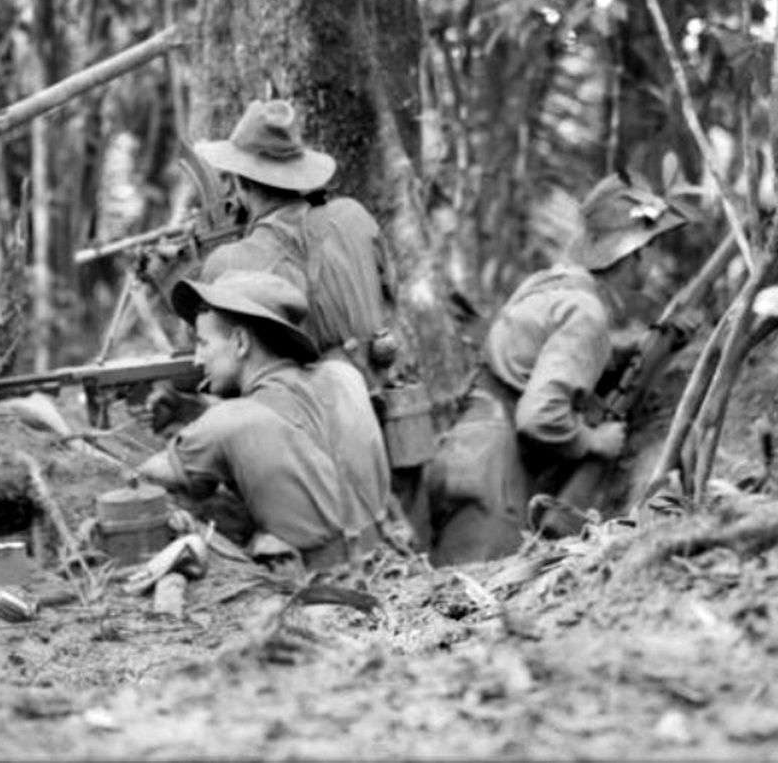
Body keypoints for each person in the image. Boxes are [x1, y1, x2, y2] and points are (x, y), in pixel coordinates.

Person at [422, 173, 692, 565]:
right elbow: (539, 416)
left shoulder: (548, 286)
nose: (651, 260)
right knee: (476, 607)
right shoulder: (587, 314)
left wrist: (625, 353)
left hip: (465, 451)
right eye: (651, 248)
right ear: (632, 254)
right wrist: (593, 441)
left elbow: (532, 357)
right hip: (494, 474)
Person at [135, 268, 389, 568]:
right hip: (385, 565)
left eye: (203, 343)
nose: (197, 360)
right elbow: (298, 430)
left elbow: (146, 477)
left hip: (317, 590)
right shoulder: (344, 376)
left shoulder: (229, 421)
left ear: (241, 342)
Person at [191, 99, 397, 391]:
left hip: (302, 424)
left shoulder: (227, 264)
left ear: (241, 183)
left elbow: (217, 364)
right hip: (378, 404)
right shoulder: (355, 218)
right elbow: (389, 298)